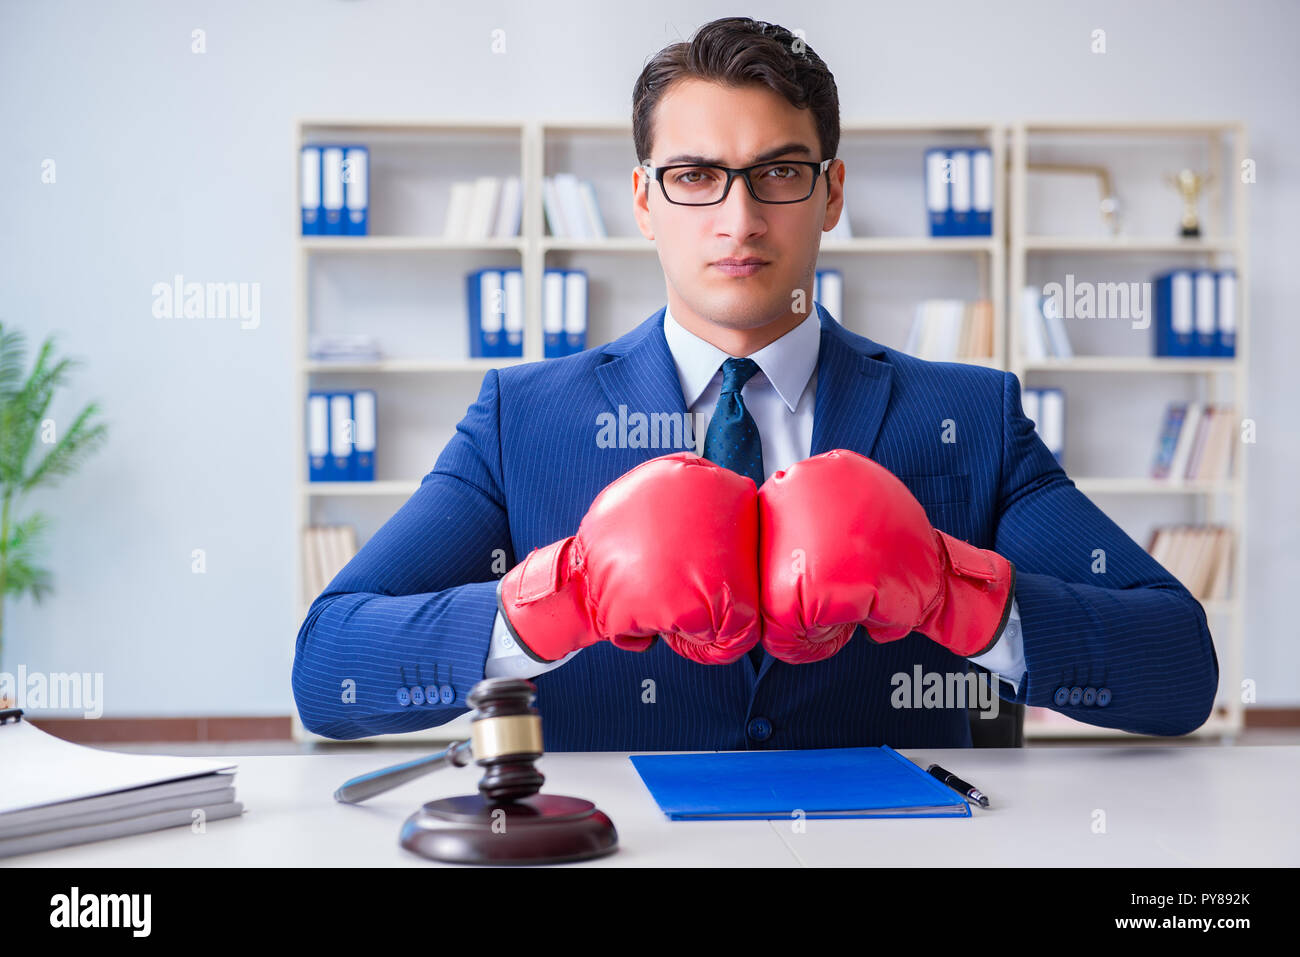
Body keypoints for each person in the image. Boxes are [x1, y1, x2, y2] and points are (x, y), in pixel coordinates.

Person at [292, 16, 1217, 748]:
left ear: (832, 193)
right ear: (646, 200)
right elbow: (328, 666)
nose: (739, 218)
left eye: (778, 172)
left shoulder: (967, 416)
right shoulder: (521, 418)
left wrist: (956, 590)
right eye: (696, 175)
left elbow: (1179, 667)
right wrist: (555, 599)